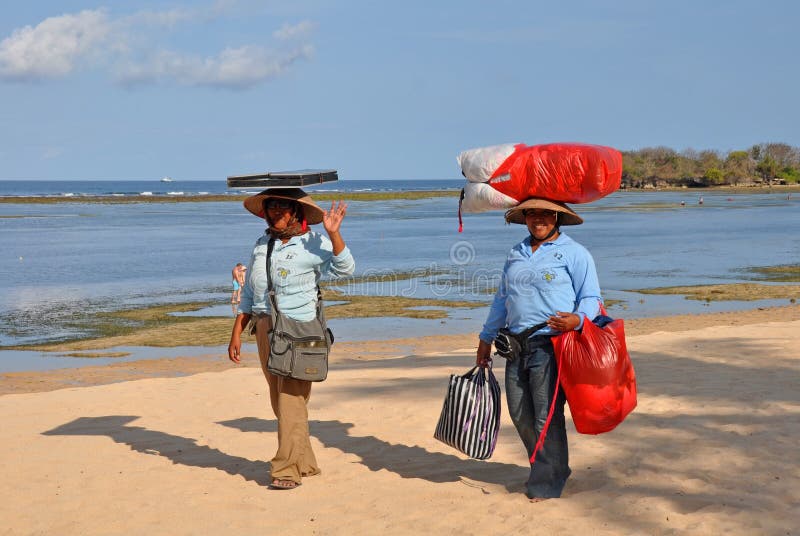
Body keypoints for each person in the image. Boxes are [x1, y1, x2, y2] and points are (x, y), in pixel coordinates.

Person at [228, 188, 355, 490]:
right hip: (264, 328)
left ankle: (286, 469)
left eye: (283, 208)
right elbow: (249, 294)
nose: (276, 213)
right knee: (280, 399)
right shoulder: (262, 245)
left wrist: (334, 234)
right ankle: (305, 461)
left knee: (289, 401)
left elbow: (346, 268)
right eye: (272, 207)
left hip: (299, 331)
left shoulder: (314, 242)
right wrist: (236, 333)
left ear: (297, 213)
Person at [476, 197, 601, 501]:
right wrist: (486, 337)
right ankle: (553, 467)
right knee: (520, 413)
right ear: (525, 218)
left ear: (557, 218)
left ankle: (547, 481)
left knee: (546, 417)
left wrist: (577, 319)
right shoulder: (516, 252)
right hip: (515, 345)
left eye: (546, 214)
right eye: (532, 213)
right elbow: (502, 299)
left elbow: (592, 298)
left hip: (552, 345)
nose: (539, 219)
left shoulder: (575, 253)